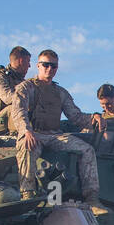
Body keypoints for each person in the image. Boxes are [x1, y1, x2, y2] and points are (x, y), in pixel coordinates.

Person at [9, 50, 106, 202]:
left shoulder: (60, 93)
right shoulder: (25, 88)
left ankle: (92, 197)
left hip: (54, 135)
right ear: (38, 66)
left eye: (53, 66)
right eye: (45, 65)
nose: (49, 69)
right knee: (27, 147)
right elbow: (18, 111)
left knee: (87, 150)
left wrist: (93, 118)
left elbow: (76, 116)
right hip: (34, 133)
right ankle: (27, 193)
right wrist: (26, 131)